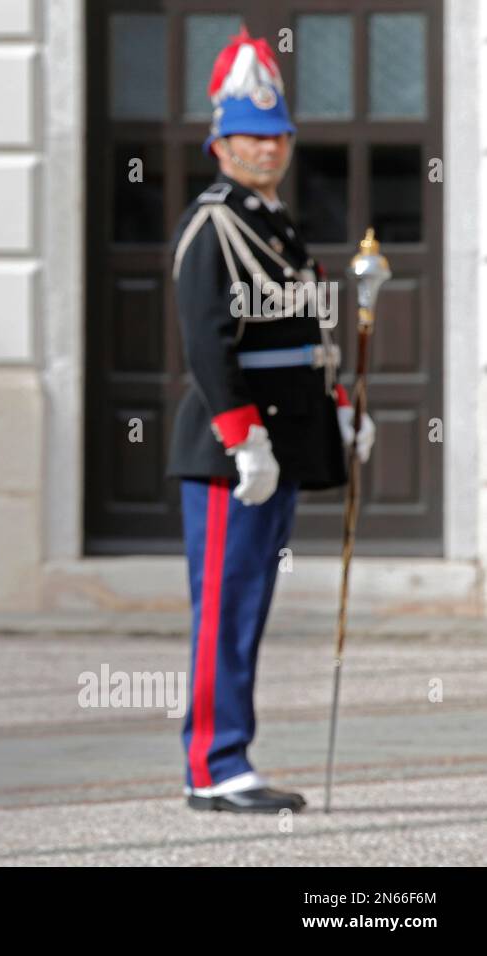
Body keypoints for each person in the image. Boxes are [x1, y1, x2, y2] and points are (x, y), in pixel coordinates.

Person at [167, 29, 376, 813]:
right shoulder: (212, 226)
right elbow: (206, 342)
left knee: (248, 602)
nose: (265, 148)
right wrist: (240, 434)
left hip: (281, 441)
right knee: (224, 604)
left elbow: (303, 334)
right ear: (220, 143)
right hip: (235, 449)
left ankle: (231, 752)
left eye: (276, 135)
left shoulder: (276, 225)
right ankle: (213, 762)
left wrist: (341, 410)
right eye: (250, 135)